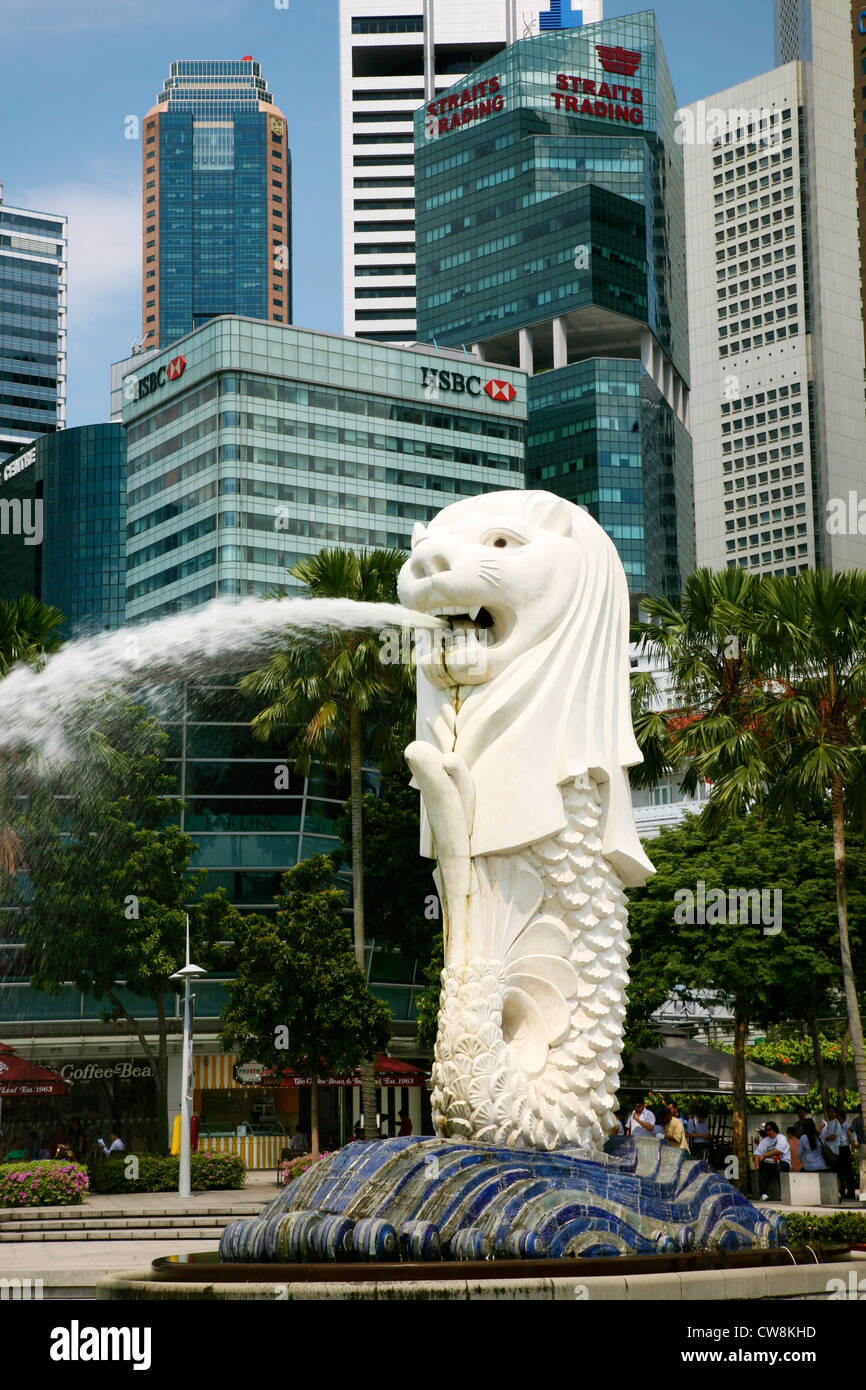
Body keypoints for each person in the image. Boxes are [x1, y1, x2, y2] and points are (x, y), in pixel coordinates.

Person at [753, 1122, 791, 1201]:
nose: (768, 1132)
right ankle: (763, 1194)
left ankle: (783, 1194)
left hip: (783, 1161)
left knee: (780, 1169)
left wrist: (764, 1155)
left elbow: (778, 1151)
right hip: (770, 1163)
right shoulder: (765, 1140)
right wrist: (757, 1166)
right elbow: (757, 1153)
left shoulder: (781, 1138)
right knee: (763, 1168)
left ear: (774, 1129)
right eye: (766, 1130)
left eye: (769, 1129)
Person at [836, 1108, 856, 1201]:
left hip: (845, 1149)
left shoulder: (848, 1126)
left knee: (848, 1173)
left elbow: (853, 1141)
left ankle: (851, 1193)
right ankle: (842, 1192)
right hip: (838, 1150)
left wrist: (852, 1153)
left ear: (841, 1117)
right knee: (839, 1172)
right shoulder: (836, 1127)